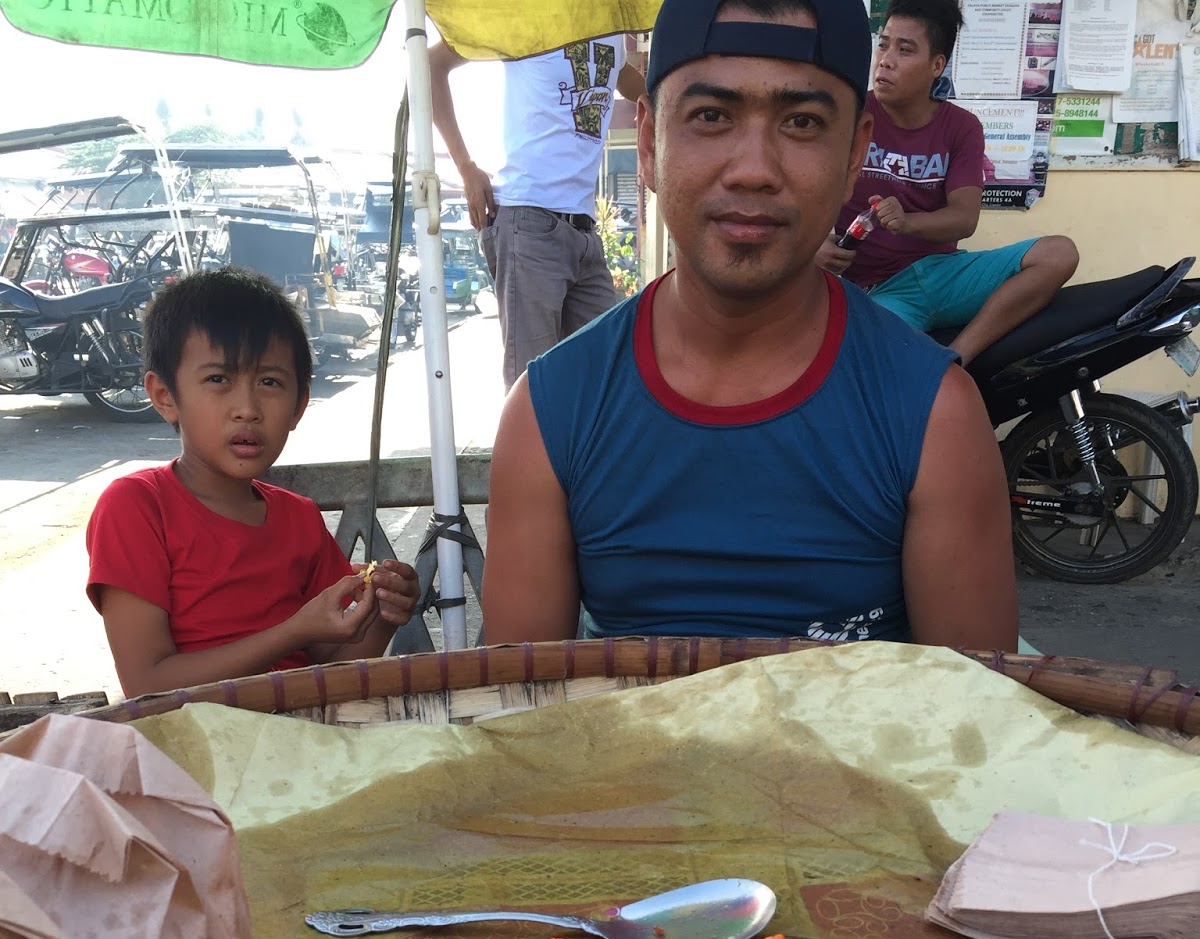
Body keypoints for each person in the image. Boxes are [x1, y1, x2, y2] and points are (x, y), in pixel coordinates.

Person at [481, 0, 1019, 654]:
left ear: (855, 155)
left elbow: (972, 726)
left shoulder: (936, 419)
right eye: (711, 116)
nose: (754, 169)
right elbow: (516, 720)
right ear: (649, 145)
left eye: (802, 122)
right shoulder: (549, 412)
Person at [86, 268, 419, 698]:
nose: (247, 408)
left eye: (269, 382)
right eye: (218, 379)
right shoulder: (137, 506)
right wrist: (292, 632)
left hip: (306, 739)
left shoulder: (298, 517)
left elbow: (333, 669)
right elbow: (147, 684)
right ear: (165, 395)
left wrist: (382, 616)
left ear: (299, 404)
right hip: (194, 747)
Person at [823, 0, 1077, 365]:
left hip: (942, 275)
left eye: (905, 49)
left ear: (936, 65)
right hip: (877, 290)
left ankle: (957, 360)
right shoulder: (850, 115)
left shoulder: (961, 127)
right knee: (865, 363)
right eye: (884, 44)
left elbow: (964, 218)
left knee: (1058, 253)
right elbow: (803, 192)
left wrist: (907, 222)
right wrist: (815, 246)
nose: (886, 60)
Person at [429, 35, 646, 389]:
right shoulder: (527, 13)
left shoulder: (611, 29)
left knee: (609, 373)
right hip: (529, 219)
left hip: (584, 232)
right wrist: (465, 165)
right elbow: (431, 64)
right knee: (531, 388)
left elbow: (638, 88)